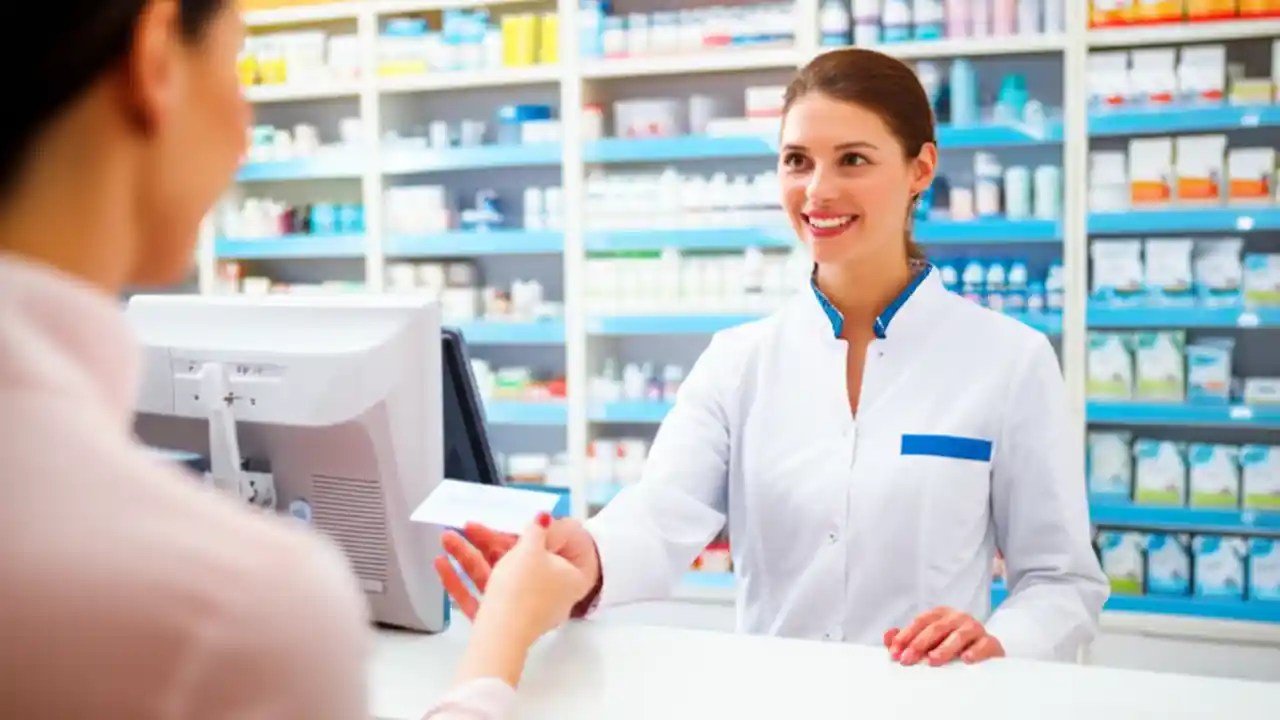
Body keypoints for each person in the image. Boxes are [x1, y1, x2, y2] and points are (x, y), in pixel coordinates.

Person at [0, 2, 582, 718]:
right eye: (234, 70)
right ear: (155, 62)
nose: (244, 135)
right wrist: (504, 639)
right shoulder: (236, 607)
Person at [441, 47, 1110, 668]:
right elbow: (660, 514)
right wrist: (580, 554)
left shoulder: (1008, 359)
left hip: (934, 697)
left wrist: (998, 642)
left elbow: (1061, 581)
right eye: (797, 160)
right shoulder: (738, 362)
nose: (817, 191)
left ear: (920, 170)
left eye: (853, 160)